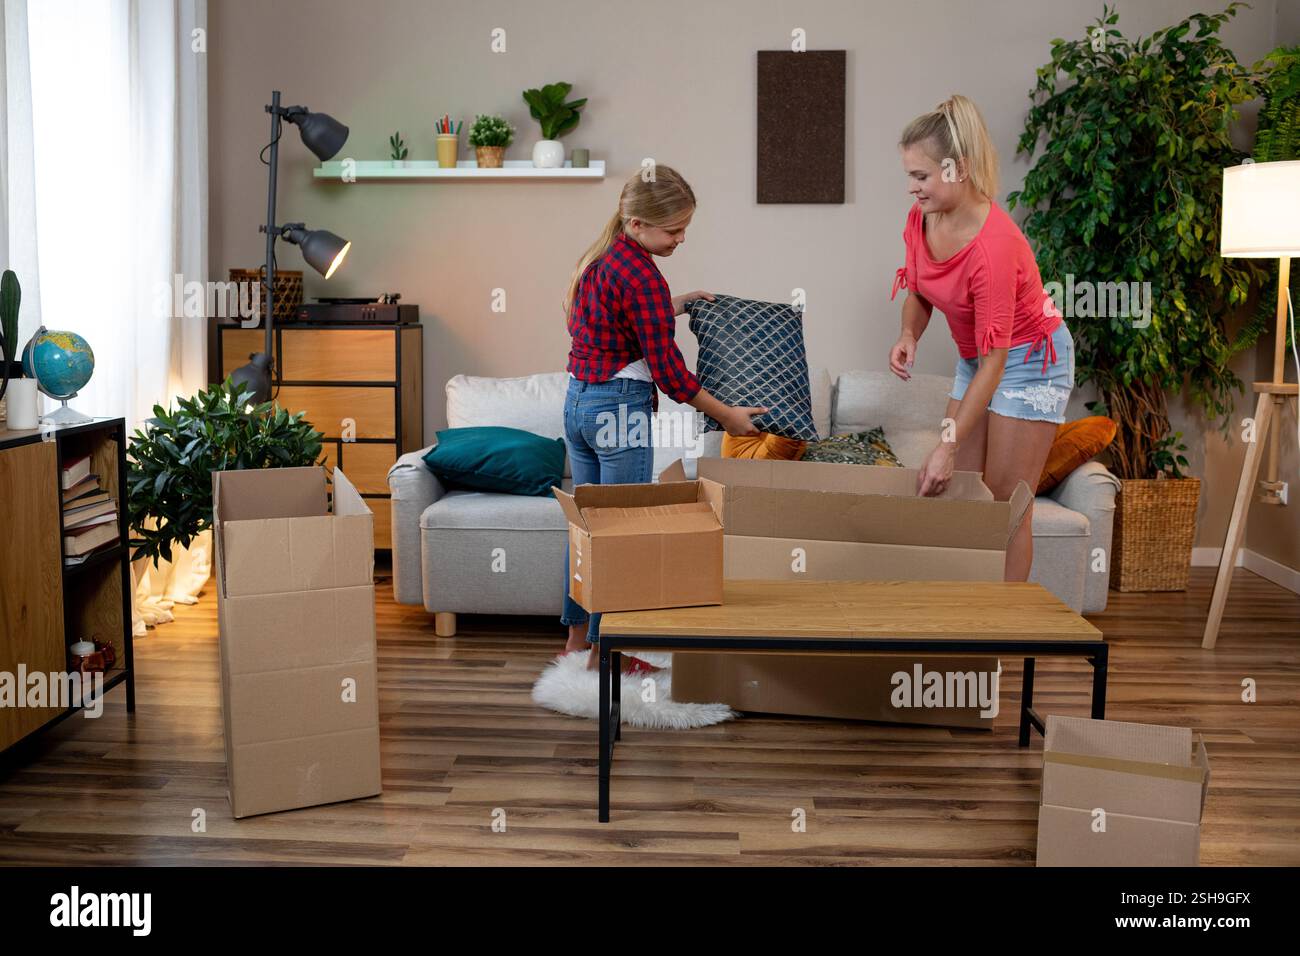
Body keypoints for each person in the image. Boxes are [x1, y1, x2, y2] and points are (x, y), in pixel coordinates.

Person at [562, 165, 766, 670]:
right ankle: (610, 657)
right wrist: (729, 417)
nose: (680, 239)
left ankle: (575, 644)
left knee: (587, 531)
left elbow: (619, 319)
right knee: (621, 535)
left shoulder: (601, 262)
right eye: (673, 230)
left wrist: (675, 304)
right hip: (618, 411)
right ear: (636, 223)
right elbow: (672, 375)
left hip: (578, 405)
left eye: (684, 229)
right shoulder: (644, 275)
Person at [889, 95, 1075, 582]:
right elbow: (919, 288)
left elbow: (997, 366)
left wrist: (945, 444)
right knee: (961, 492)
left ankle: (1000, 640)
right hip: (982, 356)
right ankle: (965, 620)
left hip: (1031, 360)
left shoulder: (994, 248)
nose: (912, 188)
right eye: (909, 175)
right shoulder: (923, 218)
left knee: (1006, 505)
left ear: (959, 169)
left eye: (921, 176)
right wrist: (910, 332)